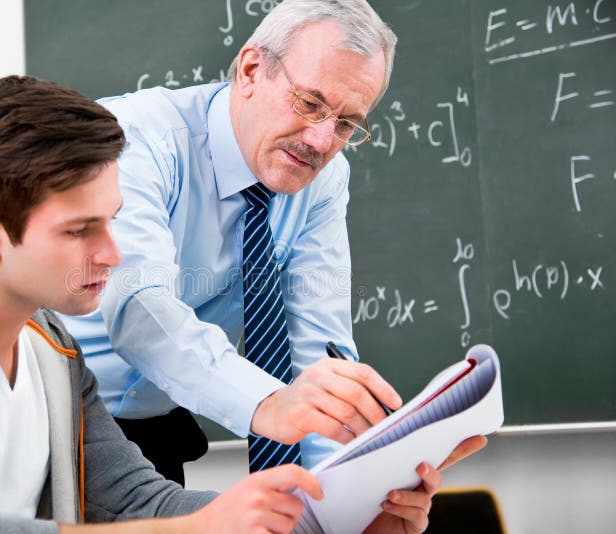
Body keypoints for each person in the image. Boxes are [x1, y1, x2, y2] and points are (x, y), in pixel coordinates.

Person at [0, 74, 339, 533]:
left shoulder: (53, 350)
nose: (112, 255)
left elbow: (142, 503)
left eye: (111, 220)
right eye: (78, 230)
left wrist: (331, 521)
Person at [60, 0, 486, 484]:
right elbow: (141, 311)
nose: (323, 141)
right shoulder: (138, 140)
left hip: (159, 435)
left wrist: (347, 485)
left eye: (346, 124)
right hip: (59, 418)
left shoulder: (324, 180)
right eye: (309, 103)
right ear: (251, 70)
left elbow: (318, 341)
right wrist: (269, 403)